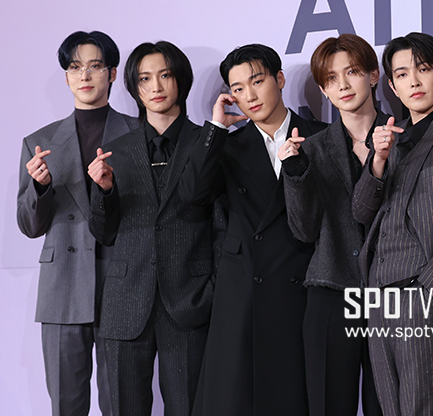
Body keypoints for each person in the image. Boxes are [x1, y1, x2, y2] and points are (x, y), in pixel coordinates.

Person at [178, 44, 326, 416]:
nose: (250, 95)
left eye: (257, 81)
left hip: (304, 284)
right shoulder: (227, 146)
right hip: (245, 289)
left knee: (296, 395)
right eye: (238, 88)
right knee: (237, 398)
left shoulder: (320, 137)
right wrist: (216, 127)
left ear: (280, 79)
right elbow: (191, 196)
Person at [351, 32, 433, 416]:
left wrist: (428, 289)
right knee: (391, 408)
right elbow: (361, 212)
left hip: (421, 293)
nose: (414, 81)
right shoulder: (391, 139)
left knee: (420, 408)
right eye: (402, 74)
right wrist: (377, 161)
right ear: (391, 86)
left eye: (423, 69)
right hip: (379, 293)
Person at [87, 41, 216, 416]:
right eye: (144, 79)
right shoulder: (114, 150)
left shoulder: (208, 142)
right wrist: (104, 192)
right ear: (133, 86)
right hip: (126, 303)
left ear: (181, 80)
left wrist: (212, 287)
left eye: (165, 75)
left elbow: (224, 225)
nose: (156, 87)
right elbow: (104, 233)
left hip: (190, 302)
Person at [17, 31, 136, 416]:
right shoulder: (39, 141)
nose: (84, 75)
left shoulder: (139, 133)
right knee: (66, 406)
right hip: (63, 289)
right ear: (66, 76)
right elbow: (29, 225)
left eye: (95, 66)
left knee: (122, 404)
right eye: (74, 67)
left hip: (122, 283)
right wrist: (40, 187)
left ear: (112, 73)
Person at [278, 34, 385, 416]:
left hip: (391, 293)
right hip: (331, 290)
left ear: (373, 75)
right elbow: (303, 231)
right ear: (323, 90)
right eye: (331, 78)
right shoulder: (311, 148)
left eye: (352, 72)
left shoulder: (404, 139)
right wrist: (296, 174)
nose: (343, 85)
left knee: (389, 406)